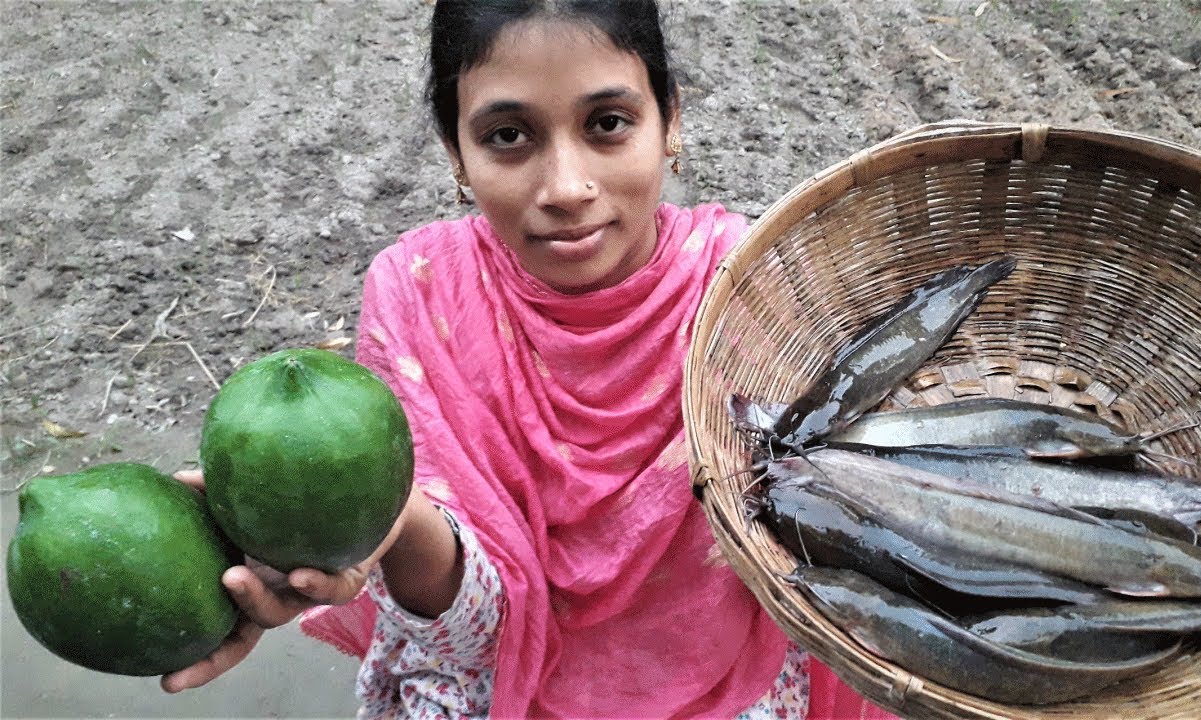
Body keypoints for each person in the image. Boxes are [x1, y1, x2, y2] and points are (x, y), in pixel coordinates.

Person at [165, 2, 896, 717]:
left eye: (607, 124)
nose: (565, 189)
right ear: (457, 151)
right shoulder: (423, 296)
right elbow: (470, 637)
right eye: (509, 136)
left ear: (670, 120)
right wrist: (382, 522)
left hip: (724, 686)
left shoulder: (748, 292)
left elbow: (815, 541)